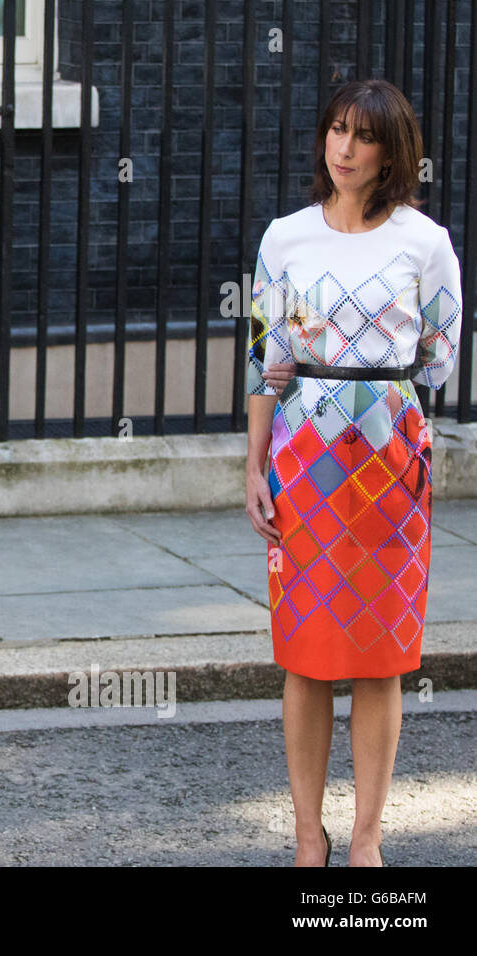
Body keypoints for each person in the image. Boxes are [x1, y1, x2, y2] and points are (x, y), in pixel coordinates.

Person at [244, 78, 462, 867]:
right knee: (305, 655)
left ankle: (366, 839)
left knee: (379, 656)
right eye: (335, 130)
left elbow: (438, 360)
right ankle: (310, 836)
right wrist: (255, 467)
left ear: (391, 152)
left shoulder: (425, 242)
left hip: (391, 465)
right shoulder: (284, 239)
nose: (343, 149)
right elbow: (264, 361)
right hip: (302, 463)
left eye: (362, 136)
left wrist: (377, 395)